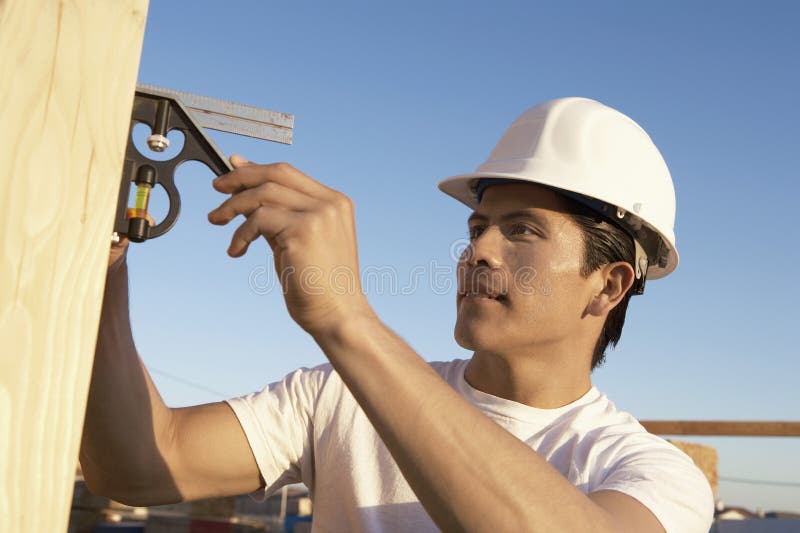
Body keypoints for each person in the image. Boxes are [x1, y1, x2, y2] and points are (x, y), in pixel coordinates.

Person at [82, 97, 714, 532]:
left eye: (521, 230)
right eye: (479, 226)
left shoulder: (652, 475)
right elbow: (134, 464)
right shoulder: (338, 399)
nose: (479, 250)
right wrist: (104, 259)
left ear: (609, 286)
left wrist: (348, 321)